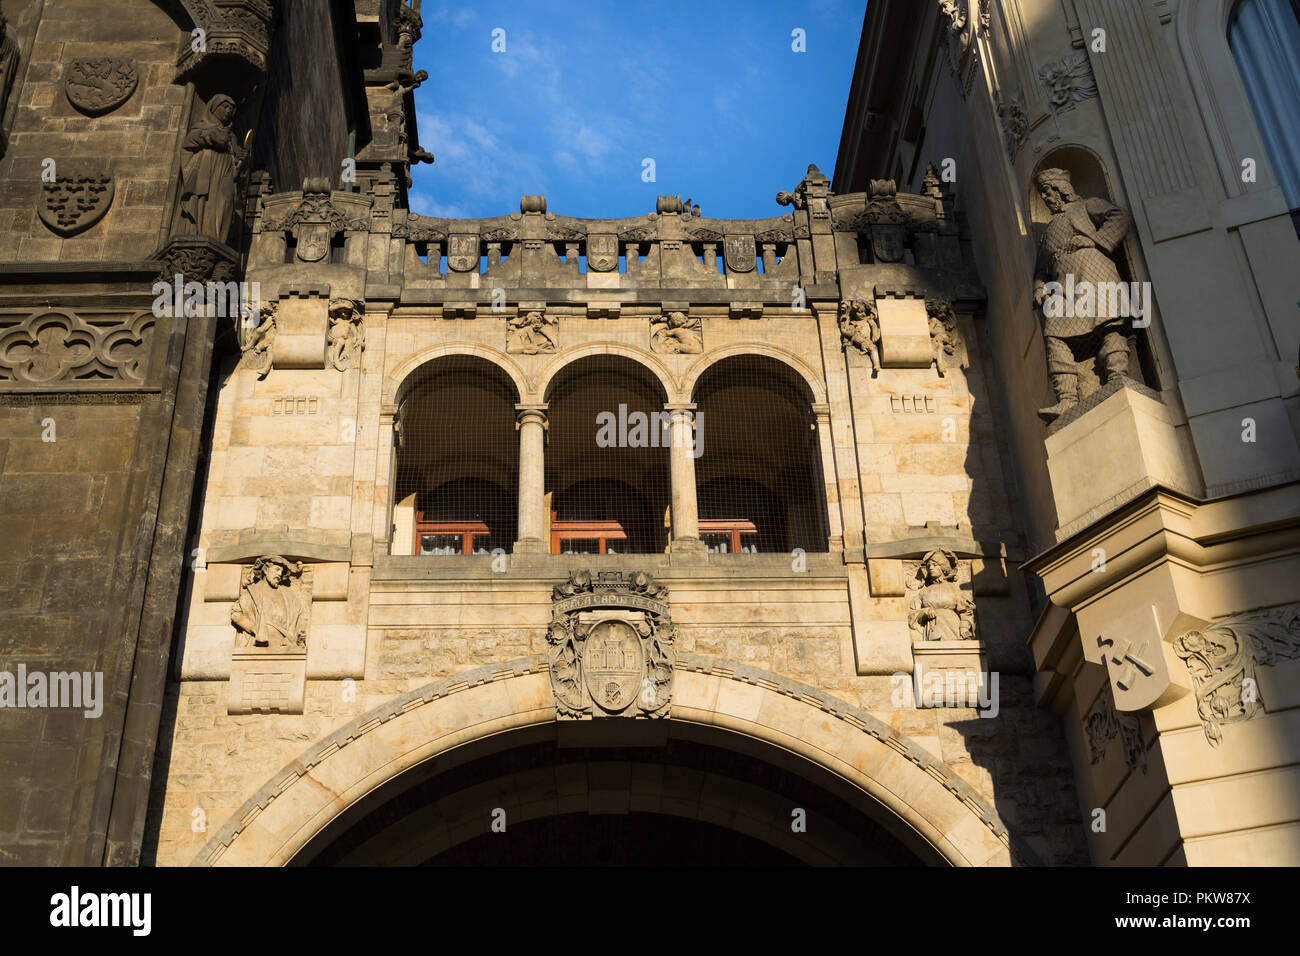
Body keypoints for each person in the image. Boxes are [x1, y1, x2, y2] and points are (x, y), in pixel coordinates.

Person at [1032, 167, 1133, 422]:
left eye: (1048, 191)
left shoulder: (1087, 206)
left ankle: (1117, 375)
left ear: (1061, 190)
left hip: (1092, 271)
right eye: (1042, 193)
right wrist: (1039, 287)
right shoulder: (1047, 233)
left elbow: (1118, 217)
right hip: (1062, 287)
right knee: (1054, 334)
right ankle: (1067, 399)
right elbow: (1040, 269)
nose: (1045, 197)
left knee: (1108, 323)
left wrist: (1097, 241)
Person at [175, 93, 244, 240]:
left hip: (225, 172)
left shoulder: (232, 136)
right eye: (225, 107)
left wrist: (240, 162)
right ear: (214, 108)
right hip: (208, 171)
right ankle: (200, 234)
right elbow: (188, 143)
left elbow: (236, 162)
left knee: (226, 202)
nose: (228, 111)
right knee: (204, 202)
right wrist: (209, 137)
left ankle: (218, 240)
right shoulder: (202, 127)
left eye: (231, 109)